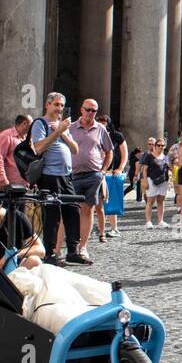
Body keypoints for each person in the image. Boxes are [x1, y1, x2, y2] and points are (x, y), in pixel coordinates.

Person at [30, 92, 83, 266]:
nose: (59, 108)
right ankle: (50, 253)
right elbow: (38, 148)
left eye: (62, 105)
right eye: (56, 104)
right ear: (48, 105)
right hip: (49, 175)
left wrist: (63, 132)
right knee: (52, 215)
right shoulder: (40, 123)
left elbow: (75, 149)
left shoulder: (63, 126)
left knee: (72, 210)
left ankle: (73, 251)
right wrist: (57, 132)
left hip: (66, 175)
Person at [69, 99, 115, 257]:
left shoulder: (100, 128)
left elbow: (109, 151)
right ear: (81, 110)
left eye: (93, 111)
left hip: (93, 175)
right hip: (72, 175)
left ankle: (83, 247)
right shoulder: (70, 127)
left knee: (88, 210)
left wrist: (103, 171)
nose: (90, 113)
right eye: (87, 109)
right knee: (71, 210)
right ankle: (70, 244)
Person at [99, 114, 128, 238]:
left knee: (111, 201)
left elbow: (124, 153)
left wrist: (120, 168)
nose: (102, 123)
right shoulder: (94, 132)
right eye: (100, 121)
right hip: (97, 171)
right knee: (95, 202)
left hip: (111, 172)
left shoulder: (117, 135)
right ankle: (99, 227)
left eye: (104, 121)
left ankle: (114, 228)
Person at [139, 137, 171, 228]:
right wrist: (145, 181)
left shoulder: (165, 157)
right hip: (151, 180)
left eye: (162, 145)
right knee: (150, 201)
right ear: (155, 146)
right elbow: (144, 170)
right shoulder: (149, 156)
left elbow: (169, 169)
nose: (160, 147)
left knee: (161, 201)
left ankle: (160, 221)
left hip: (163, 181)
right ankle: (148, 222)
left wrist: (170, 181)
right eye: (159, 145)